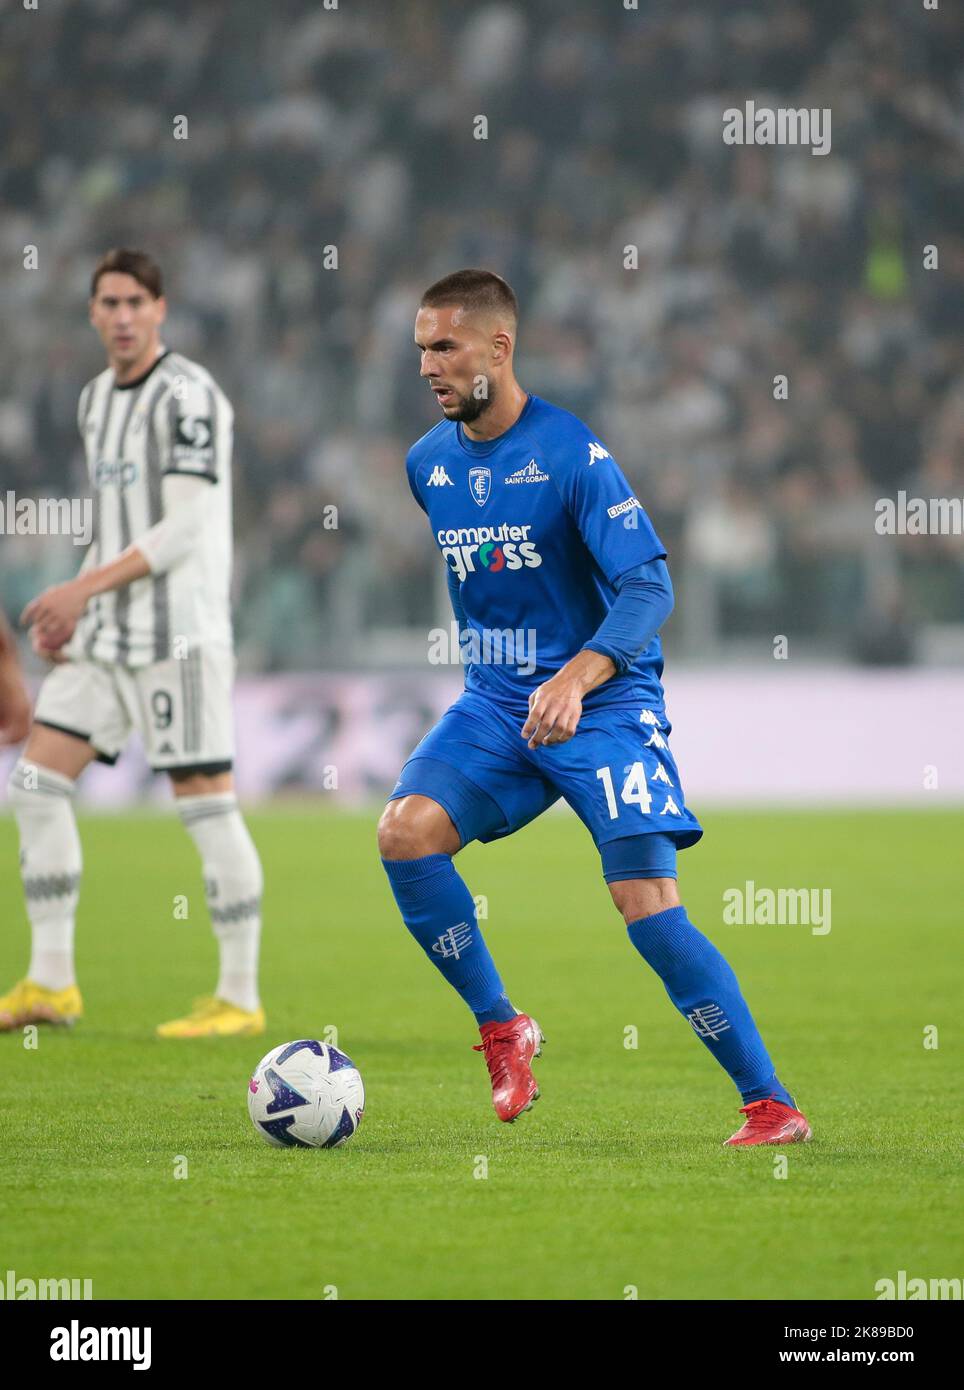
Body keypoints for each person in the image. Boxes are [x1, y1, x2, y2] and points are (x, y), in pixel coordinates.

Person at [378, 269, 811, 1146]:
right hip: (497, 705)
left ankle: (770, 1105)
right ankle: (502, 1026)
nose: (428, 366)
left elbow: (649, 587)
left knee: (646, 905)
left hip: (604, 704)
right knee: (404, 833)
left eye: (445, 347)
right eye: (421, 349)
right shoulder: (428, 465)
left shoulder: (571, 453)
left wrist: (576, 678)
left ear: (499, 347)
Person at [0, 248, 265, 1039]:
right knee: (35, 786)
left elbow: (184, 528)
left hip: (179, 636)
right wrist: (80, 608)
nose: (122, 317)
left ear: (160, 310)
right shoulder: (93, 400)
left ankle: (239, 997)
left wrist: (82, 589)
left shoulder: (188, 396)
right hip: (109, 636)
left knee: (206, 806)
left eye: (135, 303)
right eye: (108, 303)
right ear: (92, 313)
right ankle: (52, 982)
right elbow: (119, 524)